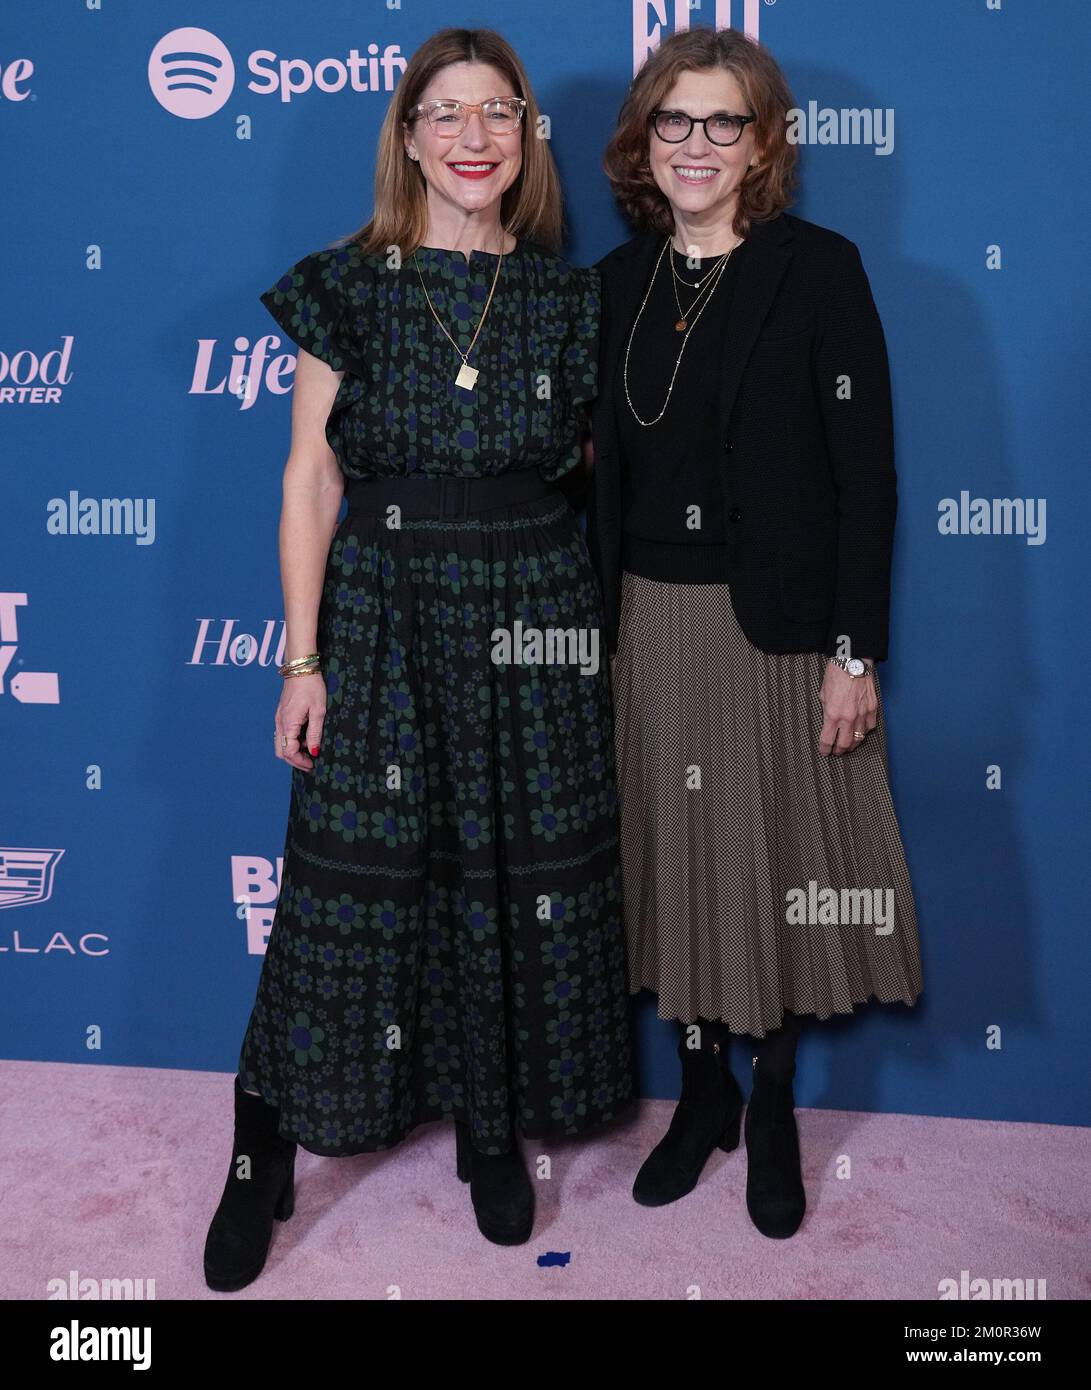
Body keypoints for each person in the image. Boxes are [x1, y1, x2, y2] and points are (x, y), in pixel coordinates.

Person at [204, 26, 634, 1292]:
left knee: (509, 874)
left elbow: (602, 475)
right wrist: (300, 658)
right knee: (346, 892)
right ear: (406, 136)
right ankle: (260, 1144)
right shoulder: (346, 284)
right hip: (385, 607)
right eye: (443, 114)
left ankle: (490, 1127)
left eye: (495, 113)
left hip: (534, 606)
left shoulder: (568, 295)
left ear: (524, 137)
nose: (472, 138)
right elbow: (307, 476)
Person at [586, 27, 923, 1239]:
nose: (695, 144)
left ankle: (771, 1096)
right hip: (643, 629)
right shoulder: (616, 286)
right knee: (672, 872)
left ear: (762, 141)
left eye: (722, 122)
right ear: (643, 139)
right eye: (672, 121)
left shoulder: (817, 270)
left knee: (776, 876)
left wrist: (851, 650)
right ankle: (701, 1092)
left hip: (773, 633)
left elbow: (865, 478)